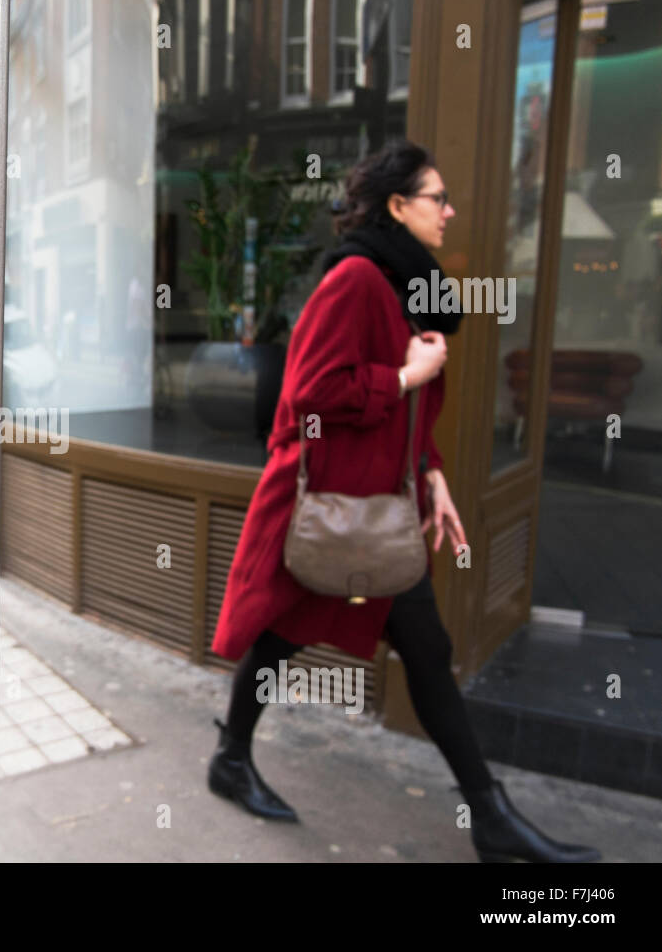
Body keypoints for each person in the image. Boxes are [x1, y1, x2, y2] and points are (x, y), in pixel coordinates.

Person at [207, 139, 601, 863]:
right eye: (437, 198)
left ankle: (486, 815)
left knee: (391, 647)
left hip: (379, 508)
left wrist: (434, 474)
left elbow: (409, 416)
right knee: (318, 638)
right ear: (397, 205)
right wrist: (404, 375)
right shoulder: (357, 278)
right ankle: (488, 815)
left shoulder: (403, 282)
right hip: (339, 508)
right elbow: (309, 395)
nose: (449, 211)